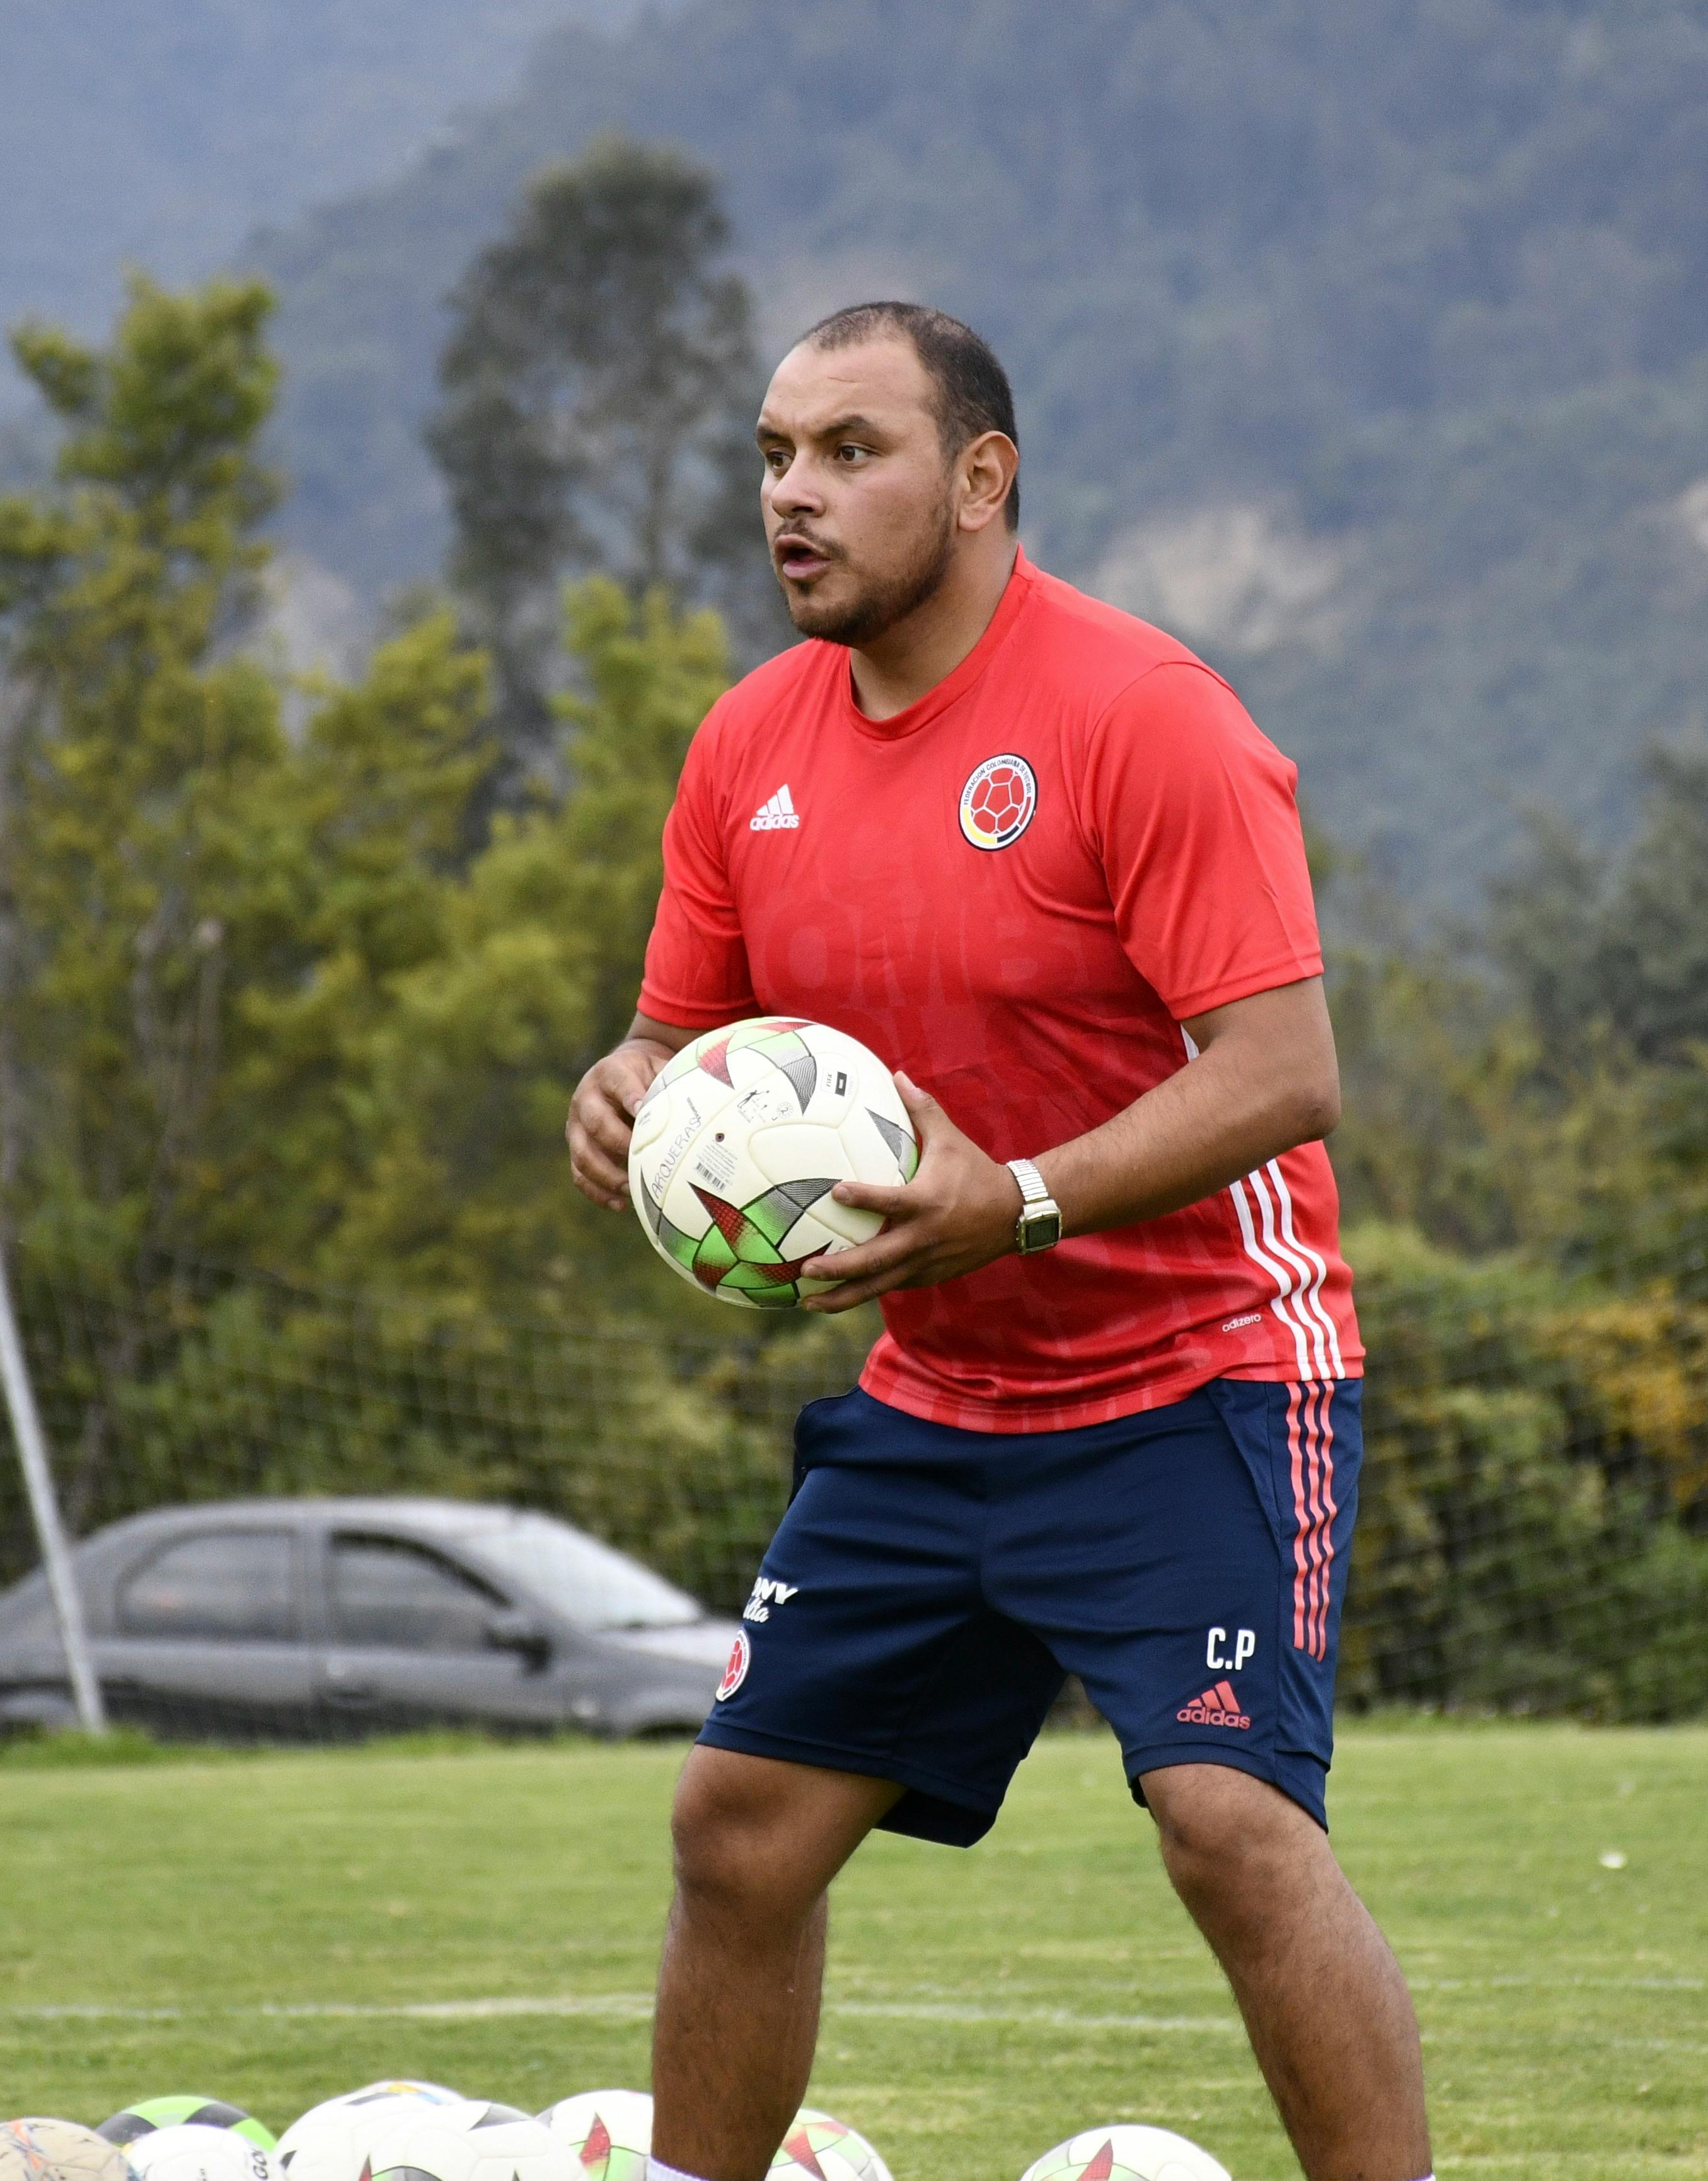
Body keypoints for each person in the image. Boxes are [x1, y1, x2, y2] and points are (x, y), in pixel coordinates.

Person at [565, 303, 1433, 2181]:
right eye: (776, 456)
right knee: (740, 1827)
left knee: (1228, 1819)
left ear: (981, 479)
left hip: (1201, 1368)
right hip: (943, 1395)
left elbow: (1288, 1074)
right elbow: (673, 1029)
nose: (795, 496)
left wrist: (1018, 1197)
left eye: (850, 452)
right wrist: (626, 1092)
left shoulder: (1143, 717)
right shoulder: (745, 750)